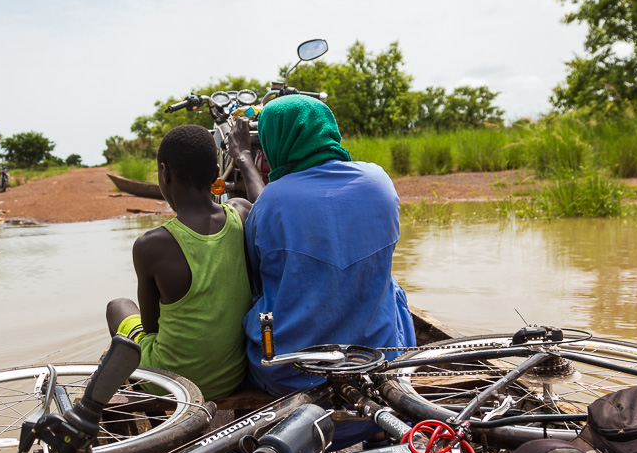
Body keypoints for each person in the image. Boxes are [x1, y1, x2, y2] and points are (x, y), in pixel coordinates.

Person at [228, 94, 416, 397]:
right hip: (378, 360)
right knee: (392, 287)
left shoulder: (270, 201)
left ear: (276, 142)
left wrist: (242, 158)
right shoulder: (378, 182)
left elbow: (256, 278)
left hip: (288, 374)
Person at [105, 125, 253, 401]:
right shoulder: (242, 214)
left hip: (173, 383)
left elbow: (151, 328)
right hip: (231, 377)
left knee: (118, 307)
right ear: (215, 173)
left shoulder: (151, 245)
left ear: (164, 173)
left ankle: (155, 415)